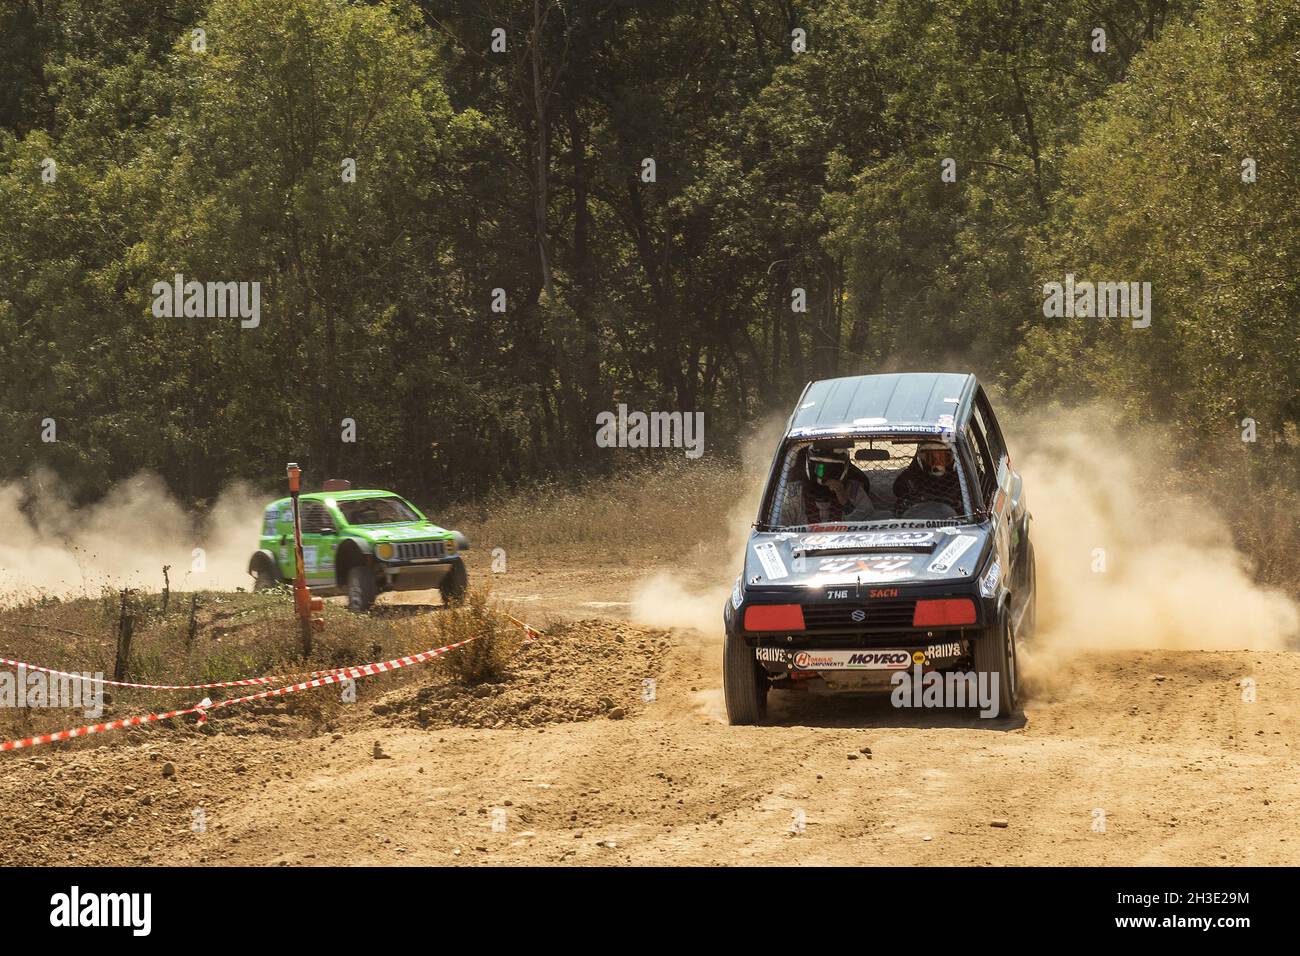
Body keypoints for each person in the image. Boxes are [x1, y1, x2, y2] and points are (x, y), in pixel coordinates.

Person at [794, 446, 872, 524]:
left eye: (832, 470)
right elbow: (787, 523)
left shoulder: (854, 491)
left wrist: (846, 502)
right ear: (809, 467)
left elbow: (869, 522)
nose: (826, 475)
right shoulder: (797, 492)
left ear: (844, 469)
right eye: (821, 468)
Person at [892, 439, 963, 515]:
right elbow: (899, 491)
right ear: (920, 459)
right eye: (931, 458)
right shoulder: (910, 478)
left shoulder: (962, 480)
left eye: (943, 458)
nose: (937, 464)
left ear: (953, 459)